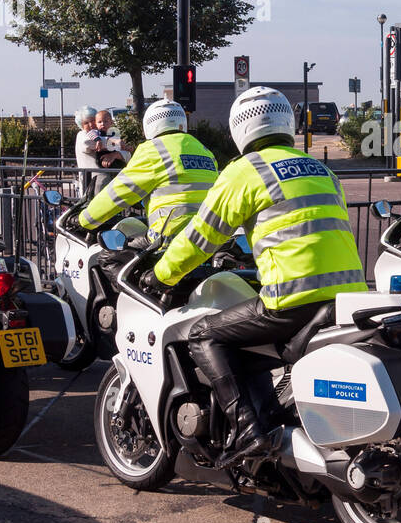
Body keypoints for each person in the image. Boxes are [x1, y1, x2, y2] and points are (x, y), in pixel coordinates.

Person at [148, 86, 366, 461]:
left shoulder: (247, 171)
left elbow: (201, 237)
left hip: (292, 301)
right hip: (347, 298)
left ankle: (250, 430)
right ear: (288, 121)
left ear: (239, 129)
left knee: (204, 335)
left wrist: (161, 274)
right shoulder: (321, 168)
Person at [78, 99, 217, 241]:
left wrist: (84, 219)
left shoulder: (153, 150)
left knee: (110, 255)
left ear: (149, 124)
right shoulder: (204, 151)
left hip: (169, 237)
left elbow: (118, 192)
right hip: (208, 236)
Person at [73, 106, 102, 197]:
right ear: (81, 125)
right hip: (90, 182)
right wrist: (115, 143)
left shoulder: (101, 134)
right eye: (86, 123)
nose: (90, 124)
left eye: (93, 120)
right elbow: (88, 143)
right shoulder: (82, 135)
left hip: (100, 181)